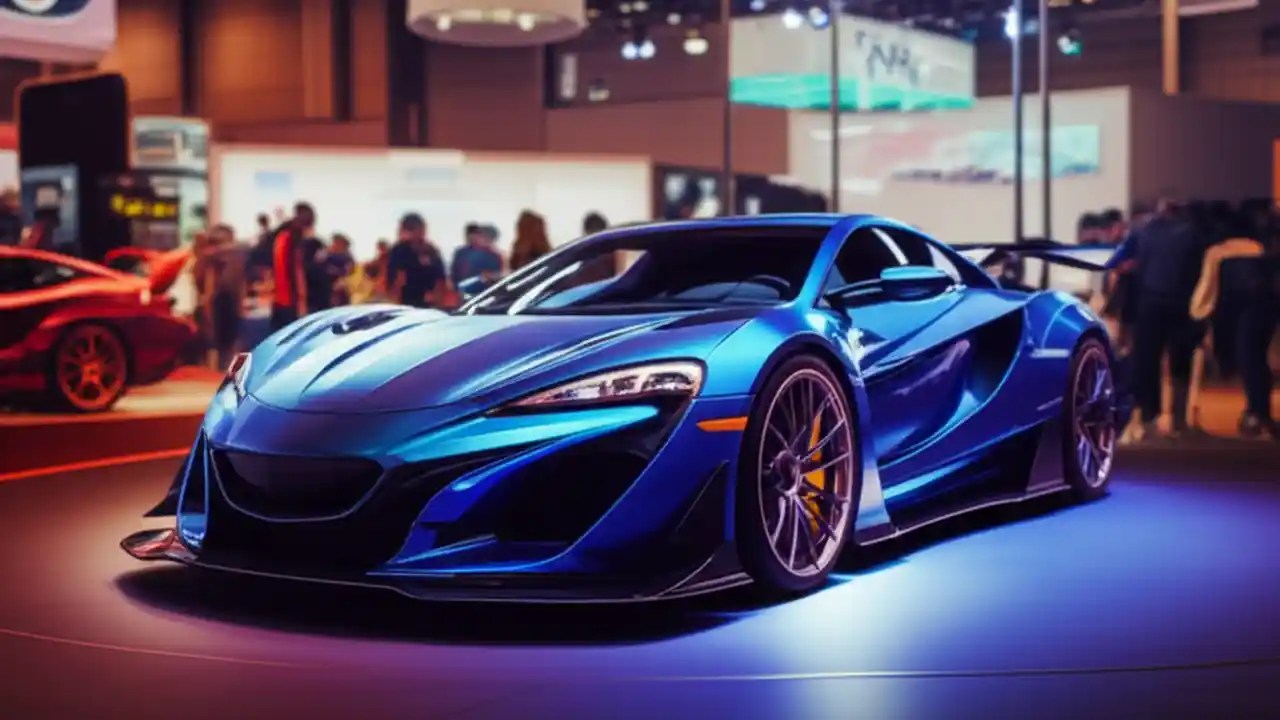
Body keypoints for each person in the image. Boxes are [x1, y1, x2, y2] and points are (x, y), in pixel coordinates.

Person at [1122, 196, 1207, 440]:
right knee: (1181, 359)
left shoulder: (1142, 231)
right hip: (1182, 304)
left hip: (1149, 303)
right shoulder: (1192, 233)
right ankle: (1179, 420)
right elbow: (1198, 271)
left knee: (1147, 361)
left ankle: (1148, 418)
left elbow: (1131, 268)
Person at [201, 224, 247, 370]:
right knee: (228, 348)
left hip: (222, 303)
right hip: (225, 303)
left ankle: (222, 375)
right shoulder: (231, 257)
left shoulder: (214, 258)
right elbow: (240, 285)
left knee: (224, 349)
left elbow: (210, 291)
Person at [270, 202, 315, 330]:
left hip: (279, 300)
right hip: (291, 302)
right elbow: (297, 272)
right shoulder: (293, 240)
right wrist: (302, 302)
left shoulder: (281, 237)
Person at [386, 213, 447, 308]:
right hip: (406, 304)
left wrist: (438, 302)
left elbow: (440, 280)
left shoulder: (431, 250)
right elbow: (397, 279)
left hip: (429, 303)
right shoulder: (399, 250)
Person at [451, 223, 504, 288]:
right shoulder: (461, 252)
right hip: (462, 291)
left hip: (482, 292)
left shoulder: (494, 256)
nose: (477, 236)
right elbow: (455, 274)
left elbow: (496, 276)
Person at [326, 233, 356, 306]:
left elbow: (350, 270)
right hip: (327, 287)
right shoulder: (327, 255)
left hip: (340, 287)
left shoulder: (347, 257)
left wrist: (343, 280)